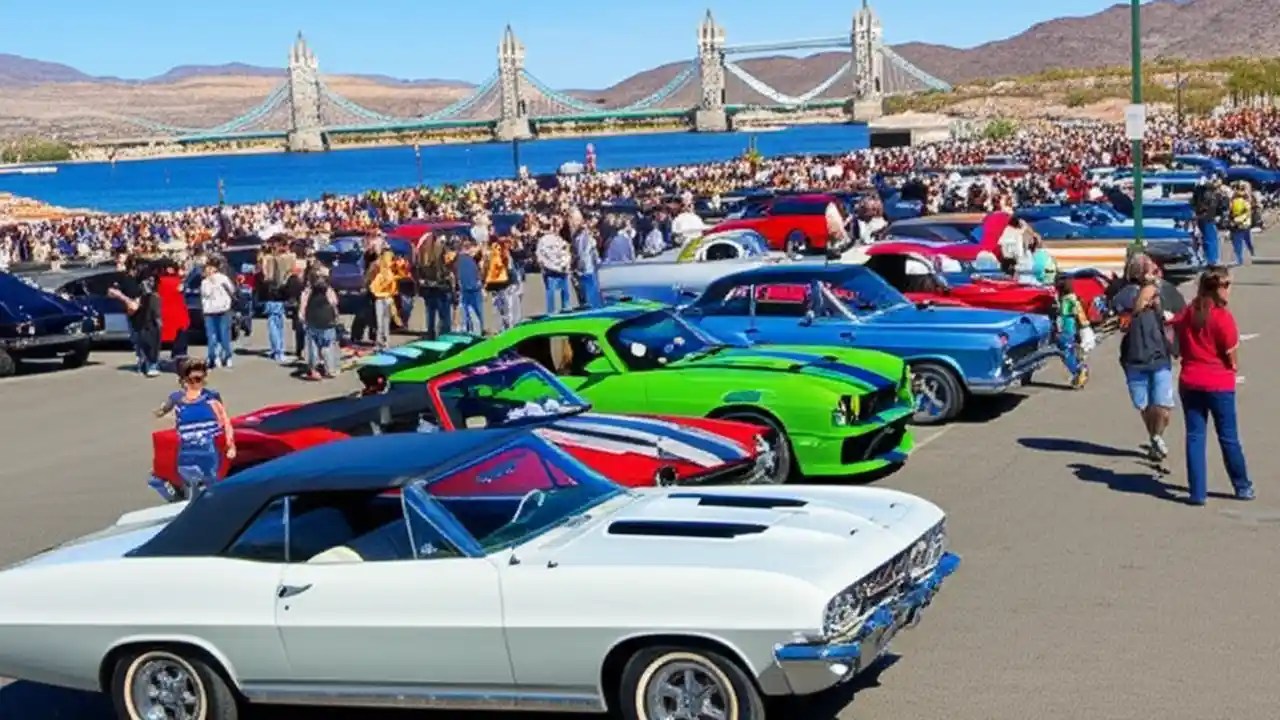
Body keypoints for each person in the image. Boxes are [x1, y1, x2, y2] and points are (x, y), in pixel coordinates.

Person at [1171, 266, 1252, 504]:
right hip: (1218, 383)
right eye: (1226, 286)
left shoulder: (1189, 312)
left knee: (1195, 436)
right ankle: (1242, 485)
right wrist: (1233, 367)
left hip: (1190, 380)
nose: (1229, 291)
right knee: (1228, 437)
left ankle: (1197, 492)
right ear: (1217, 288)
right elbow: (1231, 355)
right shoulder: (1223, 318)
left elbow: (1172, 326)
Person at [1112, 253, 1176, 461]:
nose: (1155, 273)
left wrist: (1158, 302)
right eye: (1150, 269)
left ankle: (1156, 437)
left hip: (1160, 355)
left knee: (1164, 408)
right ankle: (1155, 438)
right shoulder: (1124, 294)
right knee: (1145, 406)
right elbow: (1120, 316)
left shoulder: (1163, 291)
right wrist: (1145, 296)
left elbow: (1178, 311)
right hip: (1134, 358)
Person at [155, 358, 235, 497]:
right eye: (192, 379)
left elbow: (225, 421)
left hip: (207, 448)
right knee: (185, 484)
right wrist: (160, 411)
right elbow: (163, 409)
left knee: (211, 485)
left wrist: (230, 444)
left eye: (199, 379)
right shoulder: (177, 398)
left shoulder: (210, 397)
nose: (196, 383)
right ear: (184, 379)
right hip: (186, 449)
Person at [299, 265, 340, 380]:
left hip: (312, 320)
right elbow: (334, 303)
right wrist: (336, 316)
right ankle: (330, 369)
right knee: (327, 346)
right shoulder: (328, 290)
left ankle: (314, 369)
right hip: (327, 320)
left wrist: (302, 317)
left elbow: (303, 305)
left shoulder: (308, 291)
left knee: (313, 347)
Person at [199, 258, 237, 369]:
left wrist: (215, 282)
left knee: (224, 335)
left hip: (223, 309)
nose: (208, 270)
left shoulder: (223, 278)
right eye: (206, 268)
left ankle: (227, 356)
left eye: (210, 268)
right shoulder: (204, 282)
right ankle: (214, 357)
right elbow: (206, 293)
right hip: (210, 311)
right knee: (212, 336)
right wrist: (210, 282)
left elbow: (232, 290)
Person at [415, 232, 455, 338]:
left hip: (428, 288)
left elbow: (419, 273)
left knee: (430, 314)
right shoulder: (439, 253)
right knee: (444, 315)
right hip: (440, 287)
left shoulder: (422, 256)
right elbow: (446, 269)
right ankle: (444, 335)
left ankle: (431, 334)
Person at [1054, 275, 1090, 389]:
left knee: (1065, 352)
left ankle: (1078, 371)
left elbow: (1063, 315)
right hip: (1072, 328)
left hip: (1066, 328)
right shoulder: (1073, 298)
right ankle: (1079, 369)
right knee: (1070, 350)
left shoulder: (1067, 300)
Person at [536, 219, 572, 313]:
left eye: (560, 225)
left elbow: (567, 254)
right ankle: (551, 315)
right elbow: (540, 254)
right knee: (551, 294)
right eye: (556, 225)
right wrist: (544, 266)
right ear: (552, 226)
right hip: (550, 272)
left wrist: (566, 265)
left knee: (565, 293)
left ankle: (566, 312)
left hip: (563, 271)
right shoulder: (545, 239)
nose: (558, 227)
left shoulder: (563, 239)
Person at [368, 249, 399, 350]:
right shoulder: (376, 266)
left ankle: (385, 343)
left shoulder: (391, 267)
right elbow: (369, 278)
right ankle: (380, 342)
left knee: (385, 321)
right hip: (379, 298)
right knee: (380, 321)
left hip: (388, 297)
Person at [1192, 177, 1225, 266]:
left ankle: (1209, 259)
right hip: (1208, 218)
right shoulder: (1212, 194)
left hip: (1202, 218)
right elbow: (1214, 206)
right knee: (1210, 239)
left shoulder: (1199, 192)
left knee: (1206, 239)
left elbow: (1194, 203)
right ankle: (1212, 260)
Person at [455, 238, 485, 334]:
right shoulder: (467, 259)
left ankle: (469, 330)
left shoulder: (459, 259)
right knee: (477, 311)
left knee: (467, 313)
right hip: (473, 289)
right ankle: (478, 331)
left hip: (465, 288)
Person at [1227, 181, 1253, 266]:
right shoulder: (1233, 200)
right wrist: (1231, 221)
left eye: (1241, 189)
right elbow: (1230, 212)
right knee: (1236, 241)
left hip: (1243, 223)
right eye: (1237, 189)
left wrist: (1239, 220)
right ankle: (1239, 258)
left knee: (1245, 240)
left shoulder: (1246, 201)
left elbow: (1247, 213)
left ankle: (1247, 255)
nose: (1238, 191)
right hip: (1236, 223)